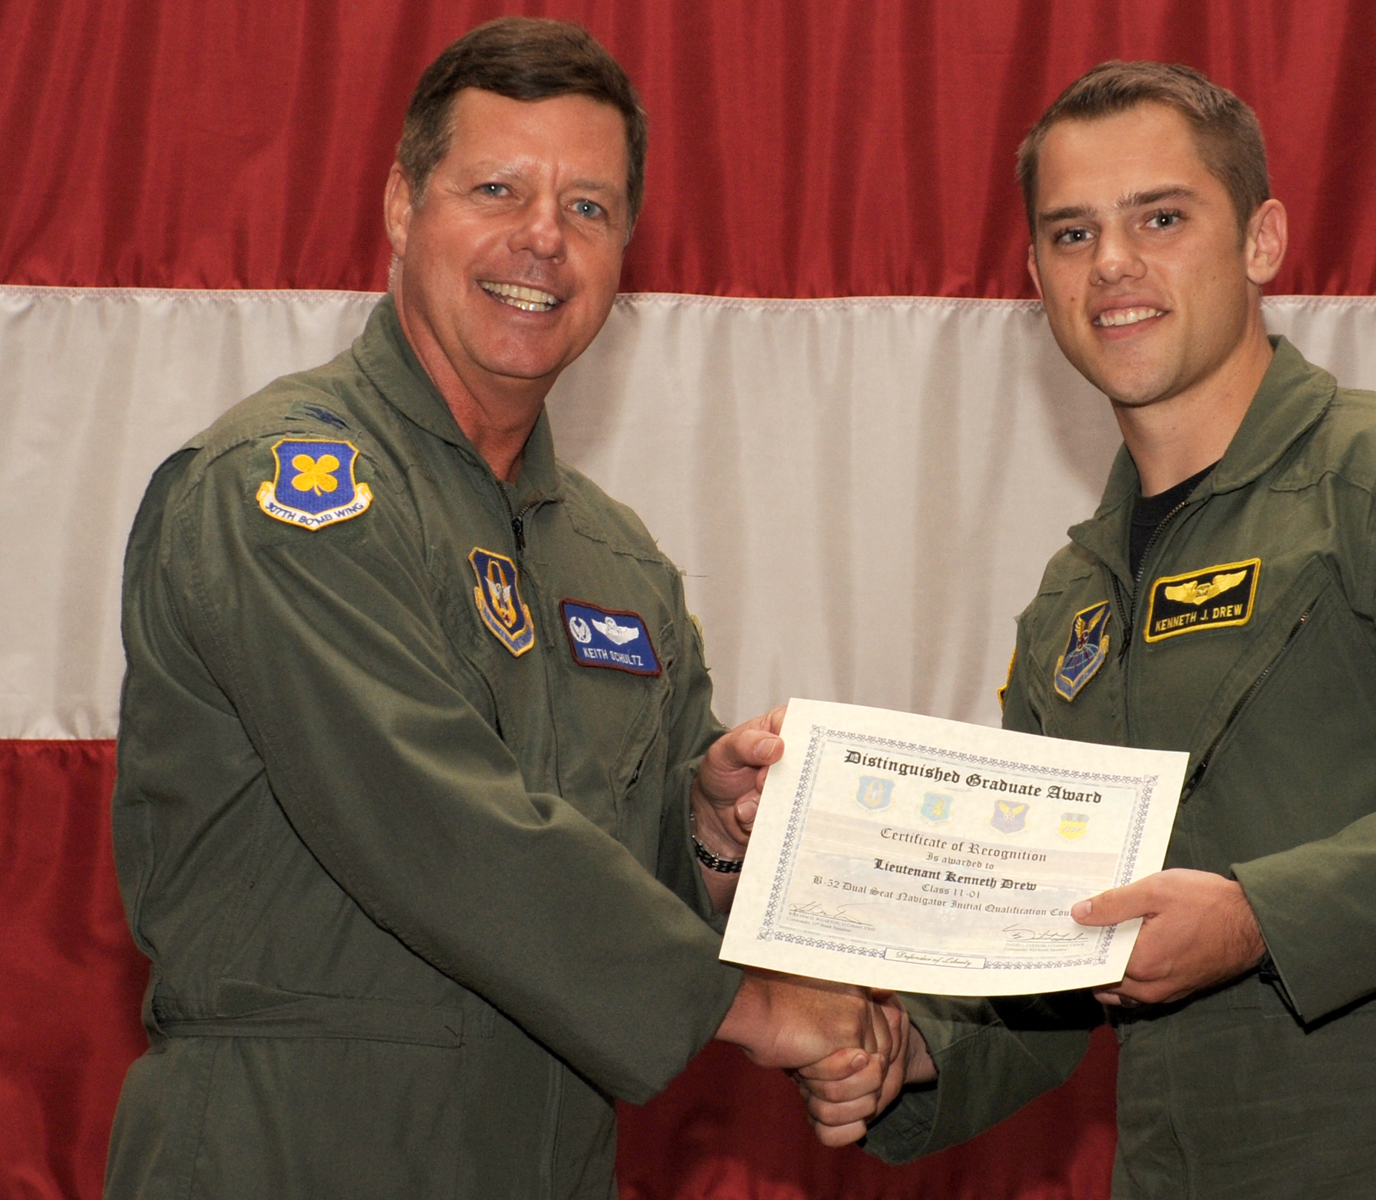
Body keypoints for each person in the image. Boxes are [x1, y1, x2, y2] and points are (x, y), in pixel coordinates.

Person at [805, 61, 1376, 1197]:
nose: (1113, 262)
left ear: (1262, 240)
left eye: (1160, 218)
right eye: (1072, 235)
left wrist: (1263, 918)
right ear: (1034, 278)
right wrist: (912, 1055)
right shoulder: (1074, 603)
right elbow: (1049, 960)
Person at [106, 19, 895, 1198]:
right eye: (497, 188)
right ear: (401, 207)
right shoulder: (285, 487)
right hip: (292, 1145)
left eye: (589, 208)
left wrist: (713, 834)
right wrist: (761, 1009)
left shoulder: (618, 562)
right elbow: (432, 822)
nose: (543, 238)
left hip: (548, 1154)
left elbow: (634, 889)